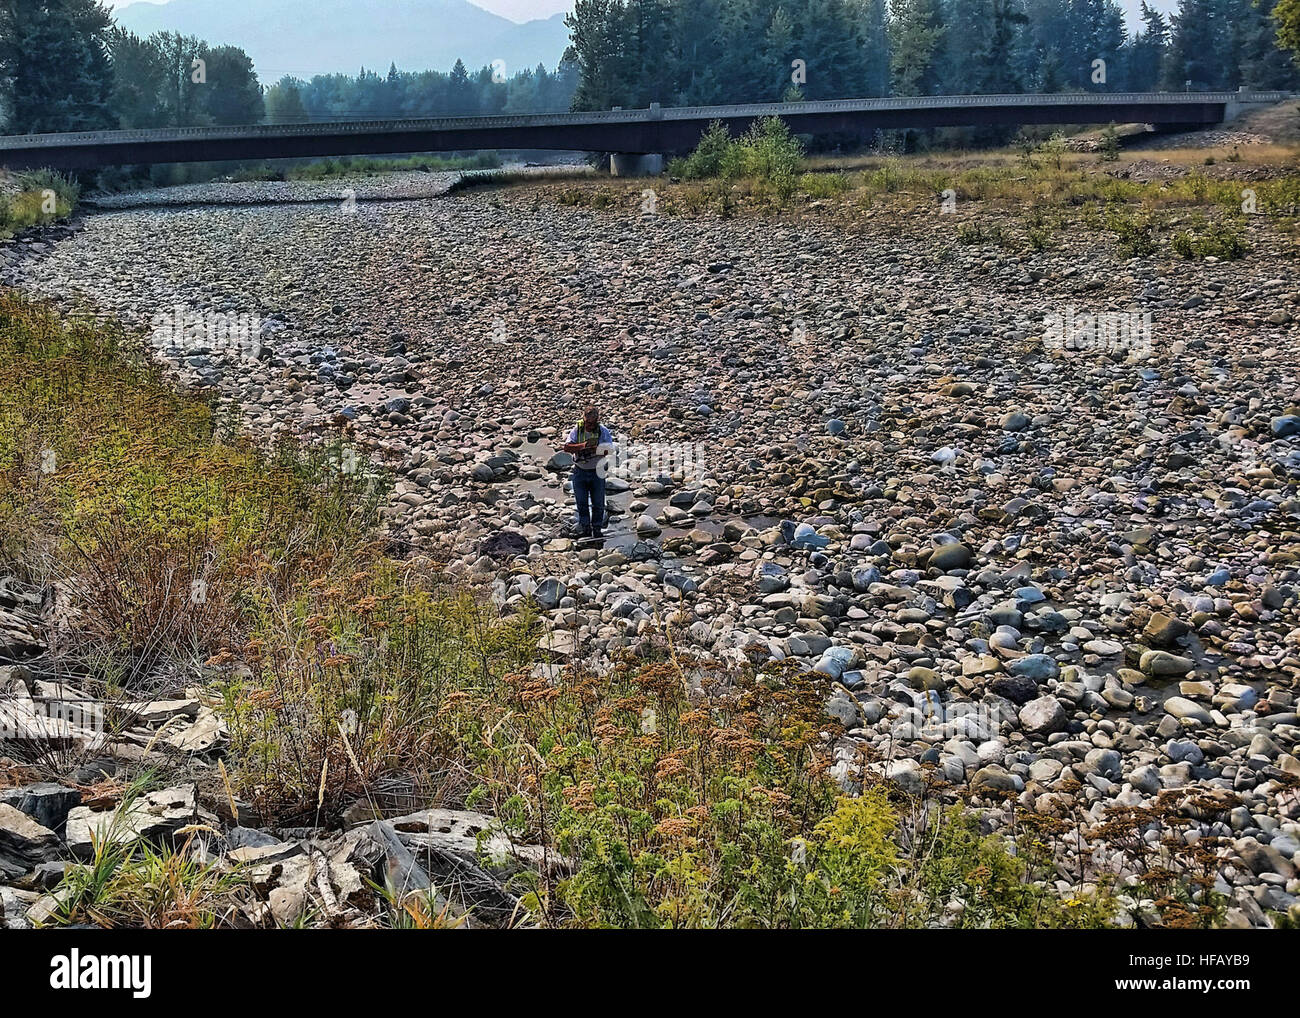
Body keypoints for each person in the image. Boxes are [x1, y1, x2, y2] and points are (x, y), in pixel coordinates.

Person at [562, 406, 613, 538]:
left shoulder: (603, 431)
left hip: (597, 472)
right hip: (580, 471)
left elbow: (610, 450)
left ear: (597, 420)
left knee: (598, 503)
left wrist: (595, 450)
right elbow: (567, 447)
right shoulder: (577, 430)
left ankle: (597, 528)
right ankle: (585, 527)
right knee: (581, 502)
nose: (589, 425)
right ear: (583, 418)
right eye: (587, 422)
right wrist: (583, 446)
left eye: (592, 423)